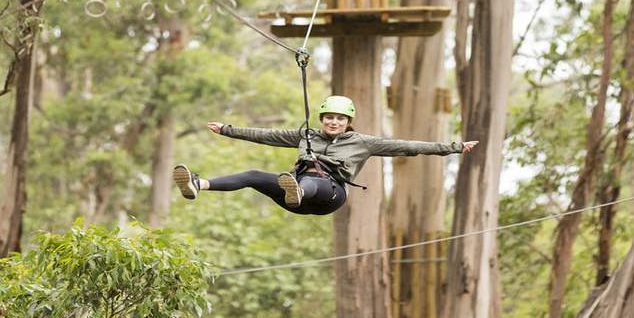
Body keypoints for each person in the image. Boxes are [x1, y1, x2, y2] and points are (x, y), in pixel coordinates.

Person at [173, 95, 478, 216]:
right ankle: (199, 186)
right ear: (322, 119)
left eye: (340, 119)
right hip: (296, 196)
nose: (333, 122)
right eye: (329, 117)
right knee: (253, 176)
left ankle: (298, 191)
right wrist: (227, 129)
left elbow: (408, 146)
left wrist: (452, 147)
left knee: (316, 182)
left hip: (328, 195)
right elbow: (265, 135)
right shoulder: (305, 135)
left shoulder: (362, 142)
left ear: (348, 122)